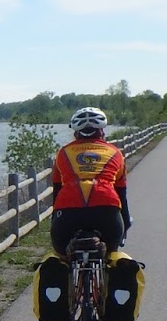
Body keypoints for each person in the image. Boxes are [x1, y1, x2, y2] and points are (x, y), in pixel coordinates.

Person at [49, 106, 130, 253]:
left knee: (62, 253)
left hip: (68, 210)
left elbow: (57, 190)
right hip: (106, 209)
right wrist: (126, 221)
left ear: (76, 133)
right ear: (102, 131)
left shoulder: (63, 153)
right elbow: (121, 193)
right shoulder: (116, 153)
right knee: (111, 254)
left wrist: (56, 219)